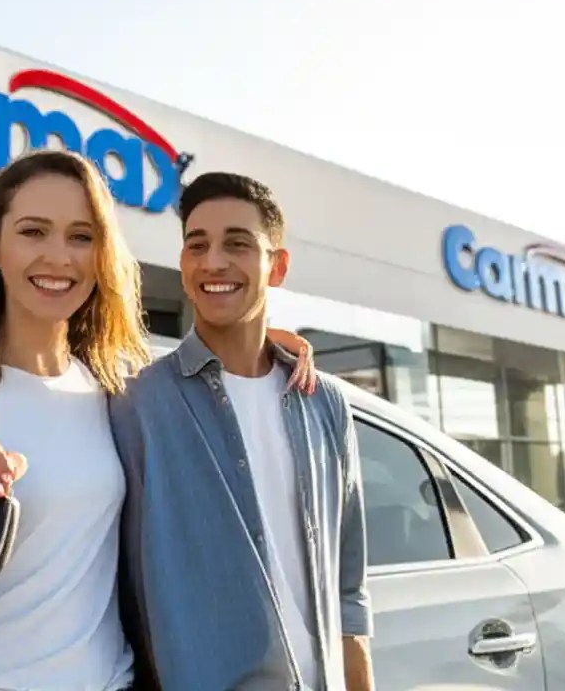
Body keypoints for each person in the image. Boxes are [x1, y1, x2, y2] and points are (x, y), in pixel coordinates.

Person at [0, 150, 318, 691]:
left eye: (81, 237)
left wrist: (264, 344)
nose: (59, 258)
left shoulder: (120, 390)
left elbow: (221, 384)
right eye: (34, 232)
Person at [109, 171, 376, 691]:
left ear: (276, 266)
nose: (213, 263)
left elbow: (350, 587)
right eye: (197, 245)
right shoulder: (136, 404)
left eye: (237, 244)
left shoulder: (324, 404)